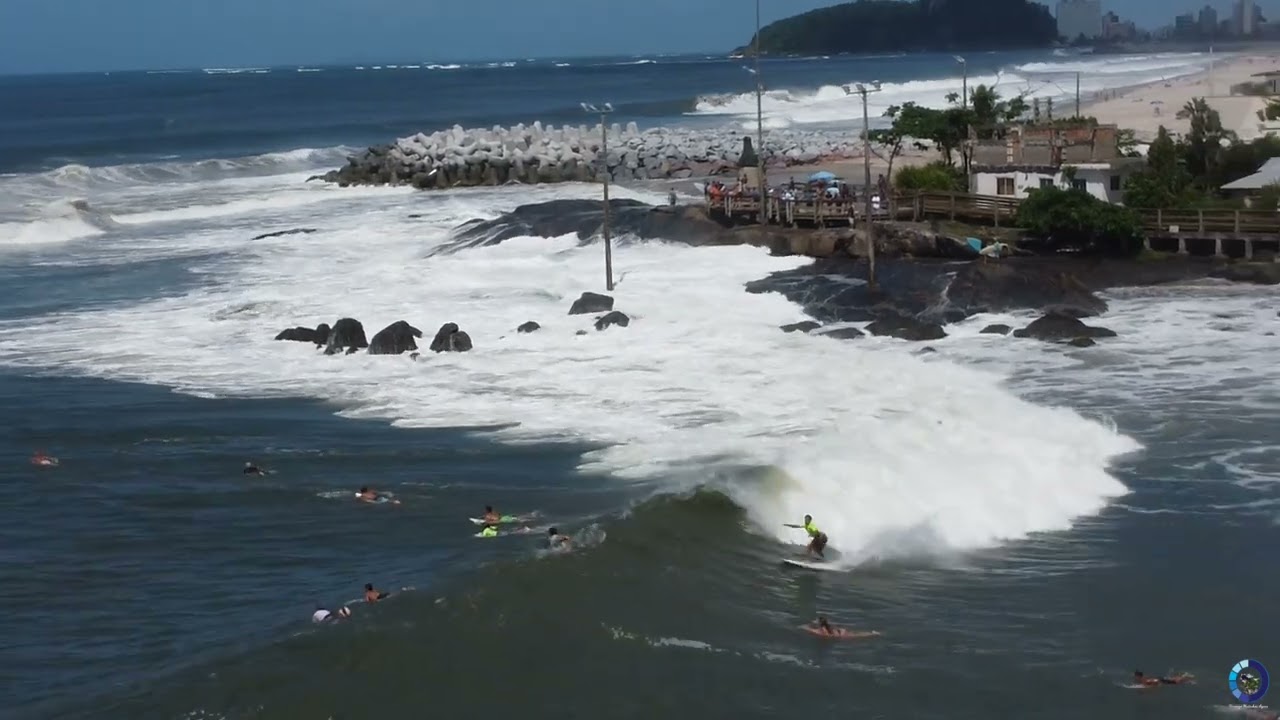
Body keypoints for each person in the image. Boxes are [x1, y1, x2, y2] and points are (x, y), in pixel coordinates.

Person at [802, 615, 880, 639]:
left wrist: (810, 624)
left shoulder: (819, 630)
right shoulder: (828, 626)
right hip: (841, 631)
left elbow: (804, 627)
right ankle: (872, 633)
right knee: (857, 634)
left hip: (840, 635)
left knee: (858, 636)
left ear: (819, 623)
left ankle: (873, 634)